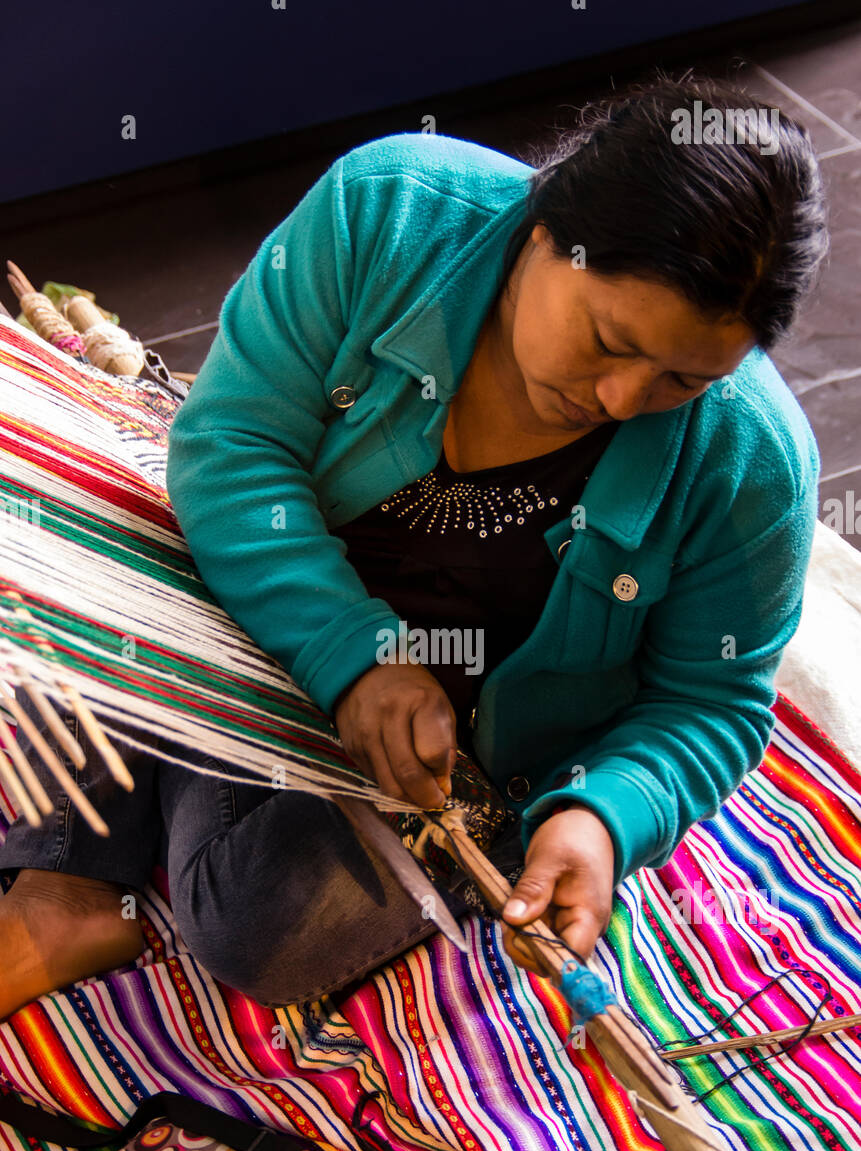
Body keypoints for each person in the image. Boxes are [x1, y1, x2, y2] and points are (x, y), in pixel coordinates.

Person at [0, 73, 828, 1019]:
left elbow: (709, 699)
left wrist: (605, 815)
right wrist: (354, 657)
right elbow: (232, 447)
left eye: (681, 378)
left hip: (458, 753)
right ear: (544, 227)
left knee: (255, 924)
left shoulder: (746, 456)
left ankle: (138, 775)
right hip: (274, 591)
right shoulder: (385, 210)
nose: (621, 400)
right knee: (69, 547)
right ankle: (66, 887)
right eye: (606, 340)